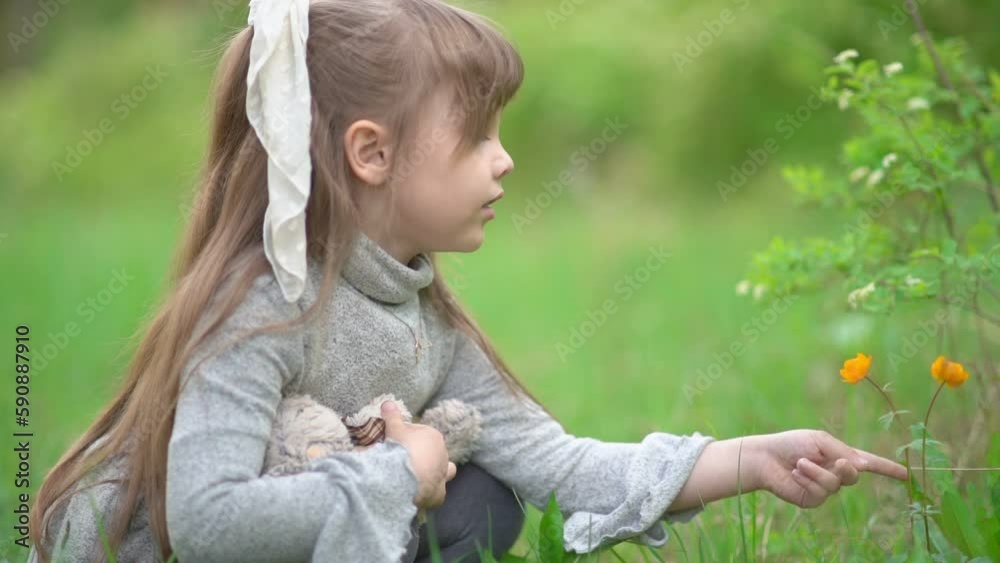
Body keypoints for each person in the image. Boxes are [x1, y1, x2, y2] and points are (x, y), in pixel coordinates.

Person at [27, 0, 909, 561]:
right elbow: (210, 522)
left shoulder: (422, 320)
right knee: (441, 490)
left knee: (484, 502)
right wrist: (396, 474)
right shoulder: (258, 311)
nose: (506, 160)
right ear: (370, 152)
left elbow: (557, 463)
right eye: (479, 134)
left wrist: (749, 459)